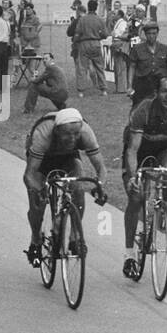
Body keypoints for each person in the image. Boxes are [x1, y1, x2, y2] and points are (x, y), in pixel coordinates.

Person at [121, 77, 167, 279]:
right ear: (157, 93)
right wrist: (134, 176)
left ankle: (159, 209)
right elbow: (132, 150)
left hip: (162, 149)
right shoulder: (144, 110)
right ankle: (129, 254)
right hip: (138, 151)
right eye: (165, 91)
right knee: (135, 198)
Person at [22, 107, 107, 266]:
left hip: (68, 158)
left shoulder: (86, 132)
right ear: (57, 131)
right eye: (67, 134)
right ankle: (35, 241)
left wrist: (100, 186)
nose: (72, 138)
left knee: (78, 188)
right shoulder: (43, 134)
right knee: (36, 204)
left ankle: (75, 237)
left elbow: (101, 167)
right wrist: (38, 191)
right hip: (42, 160)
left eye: (76, 134)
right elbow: (29, 174)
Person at [128, 20, 167, 107]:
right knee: (140, 109)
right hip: (142, 84)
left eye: (154, 33)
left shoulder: (164, 48)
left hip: (160, 84)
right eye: (149, 34)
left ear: (157, 33)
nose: (151, 36)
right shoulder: (137, 49)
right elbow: (132, 67)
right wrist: (130, 86)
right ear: (145, 34)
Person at [72, 0, 109, 96]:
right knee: (99, 67)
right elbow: (105, 34)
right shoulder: (100, 19)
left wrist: (76, 41)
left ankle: (81, 91)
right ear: (96, 8)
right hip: (96, 43)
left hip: (84, 44)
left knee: (82, 68)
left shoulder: (82, 19)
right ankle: (103, 89)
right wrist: (98, 37)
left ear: (88, 7)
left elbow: (77, 33)